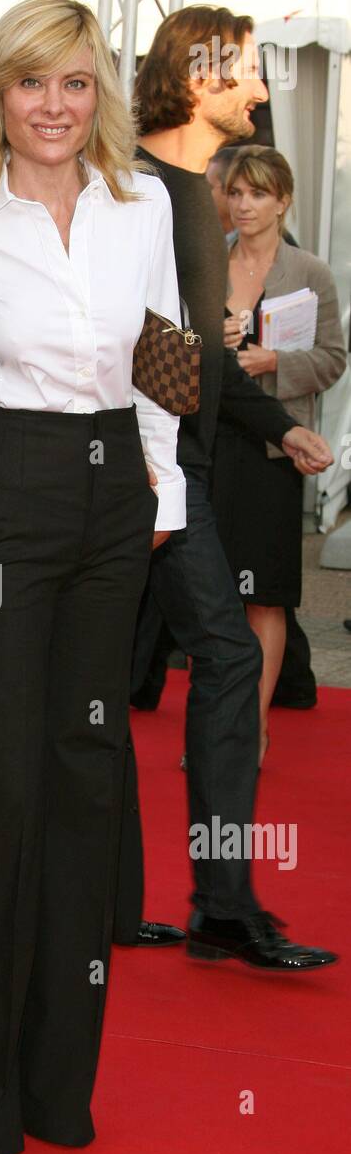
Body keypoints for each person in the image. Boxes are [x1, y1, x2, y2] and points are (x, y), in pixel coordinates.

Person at [0, 0, 185, 1154]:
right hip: (10, 488)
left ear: (101, 94)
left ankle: (55, 1084)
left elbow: (166, 355)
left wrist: (163, 496)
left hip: (114, 493)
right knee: (5, 776)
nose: (54, 105)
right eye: (32, 81)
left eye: (75, 83)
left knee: (89, 776)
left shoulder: (141, 206)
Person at [113, 5, 337, 970]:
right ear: (197, 78)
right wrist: (164, 477)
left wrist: (277, 423)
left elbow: (197, 357)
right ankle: (208, 904)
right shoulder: (144, 196)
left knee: (201, 663)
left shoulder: (185, 195)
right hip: (142, 475)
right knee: (195, 664)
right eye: (244, 71)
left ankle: (203, 902)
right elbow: (147, 356)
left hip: (174, 471)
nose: (257, 87)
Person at [212, 145, 346, 760]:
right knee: (215, 595)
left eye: (258, 194)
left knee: (264, 594)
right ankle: (217, 725)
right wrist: (206, 338)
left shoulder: (310, 273)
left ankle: (250, 728)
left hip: (274, 449)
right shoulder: (206, 263)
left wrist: (274, 361)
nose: (243, 205)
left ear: (282, 201)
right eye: (236, 192)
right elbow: (167, 338)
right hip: (208, 443)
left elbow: (332, 360)